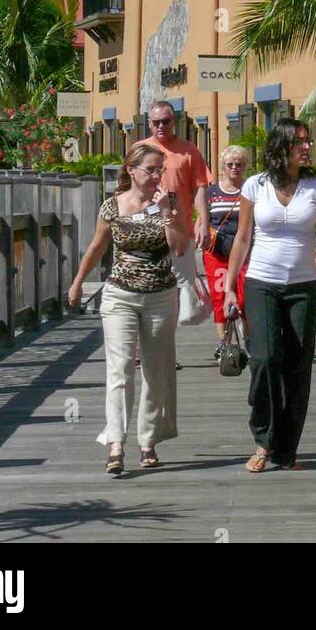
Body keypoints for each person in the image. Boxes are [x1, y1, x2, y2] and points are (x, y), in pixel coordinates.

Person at [224, 119, 316, 472]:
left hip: (304, 287)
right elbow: (243, 238)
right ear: (281, 147)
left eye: (308, 141)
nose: (307, 147)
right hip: (261, 282)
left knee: (298, 365)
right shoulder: (256, 186)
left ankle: (286, 449)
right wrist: (229, 284)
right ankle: (262, 439)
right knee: (265, 358)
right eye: (300, 142)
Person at [68, 142, 188, 476]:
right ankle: (116, 443)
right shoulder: (112, 207)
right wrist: (78, 281)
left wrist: (166, 212)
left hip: (160, 296)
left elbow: (179, 248)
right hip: (120, 294)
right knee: (119, 369)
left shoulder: (168, 202)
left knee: (155, 370)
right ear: (131, 170)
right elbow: (97, 246)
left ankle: (147, 441)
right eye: (151, 169)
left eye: (160, 170)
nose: (156, 176)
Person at [138, 99, 212, 367]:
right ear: (149, 123)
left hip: (180, 231)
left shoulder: (188, 150)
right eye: (156, 121)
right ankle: (141, 348)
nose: (161, 126)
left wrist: (203, 220)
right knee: (145, 288)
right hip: (146, 232)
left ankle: (166, 351)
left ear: (174, 121)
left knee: (177, 291)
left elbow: (201, 186)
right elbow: (126, 189)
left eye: (166, 121)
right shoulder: (140, 150)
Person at [205, 145, 250, 359]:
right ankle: (224, 342)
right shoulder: (211, 192)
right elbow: (203, 219)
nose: (234, 168)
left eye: (239, 164)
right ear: (223, 166)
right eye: (230, 164)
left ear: (245, 167)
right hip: (218, 253)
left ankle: (248, 339)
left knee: (244, 298)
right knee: (219, 297)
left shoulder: (250, 190)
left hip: (245, 253)